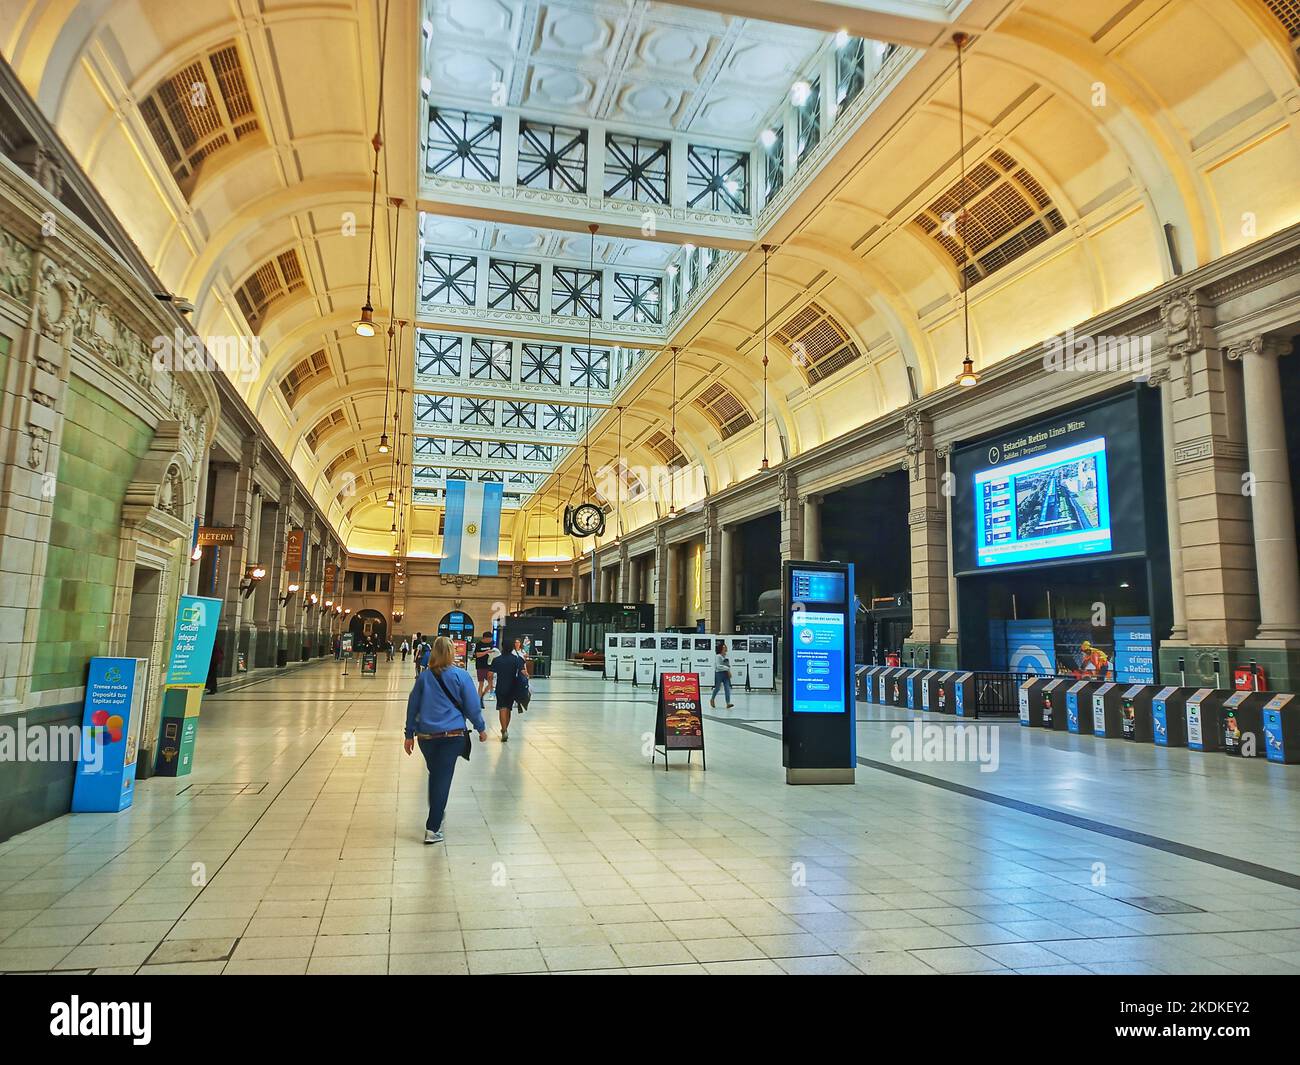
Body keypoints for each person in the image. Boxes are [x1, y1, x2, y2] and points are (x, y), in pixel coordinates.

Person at [404, 636, 487, 844]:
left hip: (426, 737)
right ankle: (432, 828)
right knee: (441, 778)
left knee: (436, 775)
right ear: (451, 653)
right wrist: (481, 728)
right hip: (451, 736)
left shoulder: (424, 677)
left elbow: (412, 705)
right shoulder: (461, 676)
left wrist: (409, 734)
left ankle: (437, 813)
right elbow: (472, 705)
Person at [491, 639, 528, 741]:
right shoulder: (517, 659)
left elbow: (490, 674)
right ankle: (505, 729)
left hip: (500, 687)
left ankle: (503, 729)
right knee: (508, 708)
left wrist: (490, 685)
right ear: (512, 647)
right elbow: (524, 673)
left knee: (502, 708)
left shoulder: (497, 660)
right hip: (513, 687)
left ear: (502, 647)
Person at [711, 641, 734, 709]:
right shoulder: (718, 656)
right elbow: (718, 666)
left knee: (727, 688)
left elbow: (727, 665)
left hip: (725, 673)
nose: (725, 648)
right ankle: (712, 699)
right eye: (724, 647)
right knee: (717, 688)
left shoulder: (726, 656)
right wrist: (727, 668)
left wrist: (728, 671)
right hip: (719, 673)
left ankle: (728, 703)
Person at [473, 631, 494, 703]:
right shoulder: (479, 644)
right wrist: (486, 652)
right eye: (490, 638)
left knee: (490, 683)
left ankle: (484, 695)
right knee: (481, 683)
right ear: (485, 638)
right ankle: (479, 699)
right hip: (480, 666)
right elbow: (477, 655)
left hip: (489, 666)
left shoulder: (491, 643)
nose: (491, 640)